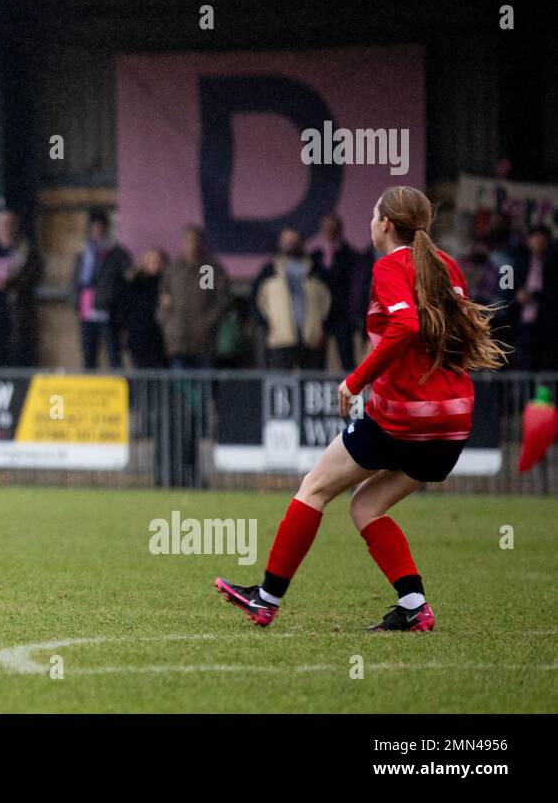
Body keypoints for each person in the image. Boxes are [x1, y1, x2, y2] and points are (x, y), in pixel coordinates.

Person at [216, 186, 508, 631]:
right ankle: (414, 606)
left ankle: (266, 598)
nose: (370, 223)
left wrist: (355, 380)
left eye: (373, 215)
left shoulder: (391, 265)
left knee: (313, 488)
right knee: (366, 506)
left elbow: (406, 324)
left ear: (385, 224)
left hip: (405, 413)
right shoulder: (446, 265)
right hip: (452, 419)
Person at [155, 226, 230, 488]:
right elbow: (163, 302)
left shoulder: (207, 270)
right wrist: (168, 323)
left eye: (195, 241)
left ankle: (196, 457)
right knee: (179, 405)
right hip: (177, 348)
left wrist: (206, 324)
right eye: (187, 240)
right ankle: (178, 460)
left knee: (199, 406)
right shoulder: (173, 270)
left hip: (202, 348)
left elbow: (218, 301)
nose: (191, 245)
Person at [253, 227, 331, 370]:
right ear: (280, 243)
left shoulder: (315, 270)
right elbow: (256, 300)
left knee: (310, 384)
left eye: (294, 241)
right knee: (281, 383)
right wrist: (265, 323)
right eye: (287, 241)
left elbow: (327, 301)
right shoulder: (269, 271)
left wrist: (322, 326)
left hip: (311, 338)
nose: (290, 245)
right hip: (281, 337)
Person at [0, 209, 42, 367]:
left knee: (16, 355)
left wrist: (10, 283)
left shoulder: (26, 251)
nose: (6, 229)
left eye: (10, 224)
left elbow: (32, 277)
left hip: (16, 313)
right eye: (2, 225)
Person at [72, 209, 131, 369]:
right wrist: (76, 301)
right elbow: (76, 280)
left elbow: (126, 279)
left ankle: (119, 390)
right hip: (86, 307)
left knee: (114, 354)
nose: (97, 231)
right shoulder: (84, 253)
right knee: (89, 356)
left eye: (100, 227)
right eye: (94, 227)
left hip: (108, 310)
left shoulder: (116, 253)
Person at [310, 213, 361, 371]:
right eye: (326, 228)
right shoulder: (314, 257)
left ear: (340, 230)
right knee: (317, 358)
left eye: (333, 228)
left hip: (342, 313)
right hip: (320, 315)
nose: (330, 232)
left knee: (346, 356)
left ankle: (351, 391)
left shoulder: (351, 256)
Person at [511, 225, 558, 371]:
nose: (538, 242)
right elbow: (505, 290)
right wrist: (517, 297)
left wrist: (533, 296)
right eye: (535, 238)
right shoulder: (516, 265)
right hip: (523, 325)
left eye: (542, 239)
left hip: (547, 326)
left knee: (546, 367)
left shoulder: (553, 266)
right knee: (525, 366)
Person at [126, 249, 168, 369]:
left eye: (158, 261)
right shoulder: (135, 282)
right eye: (151, 261)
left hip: (162, 339)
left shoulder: (167, 283)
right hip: (139, 338)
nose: (155, 264)